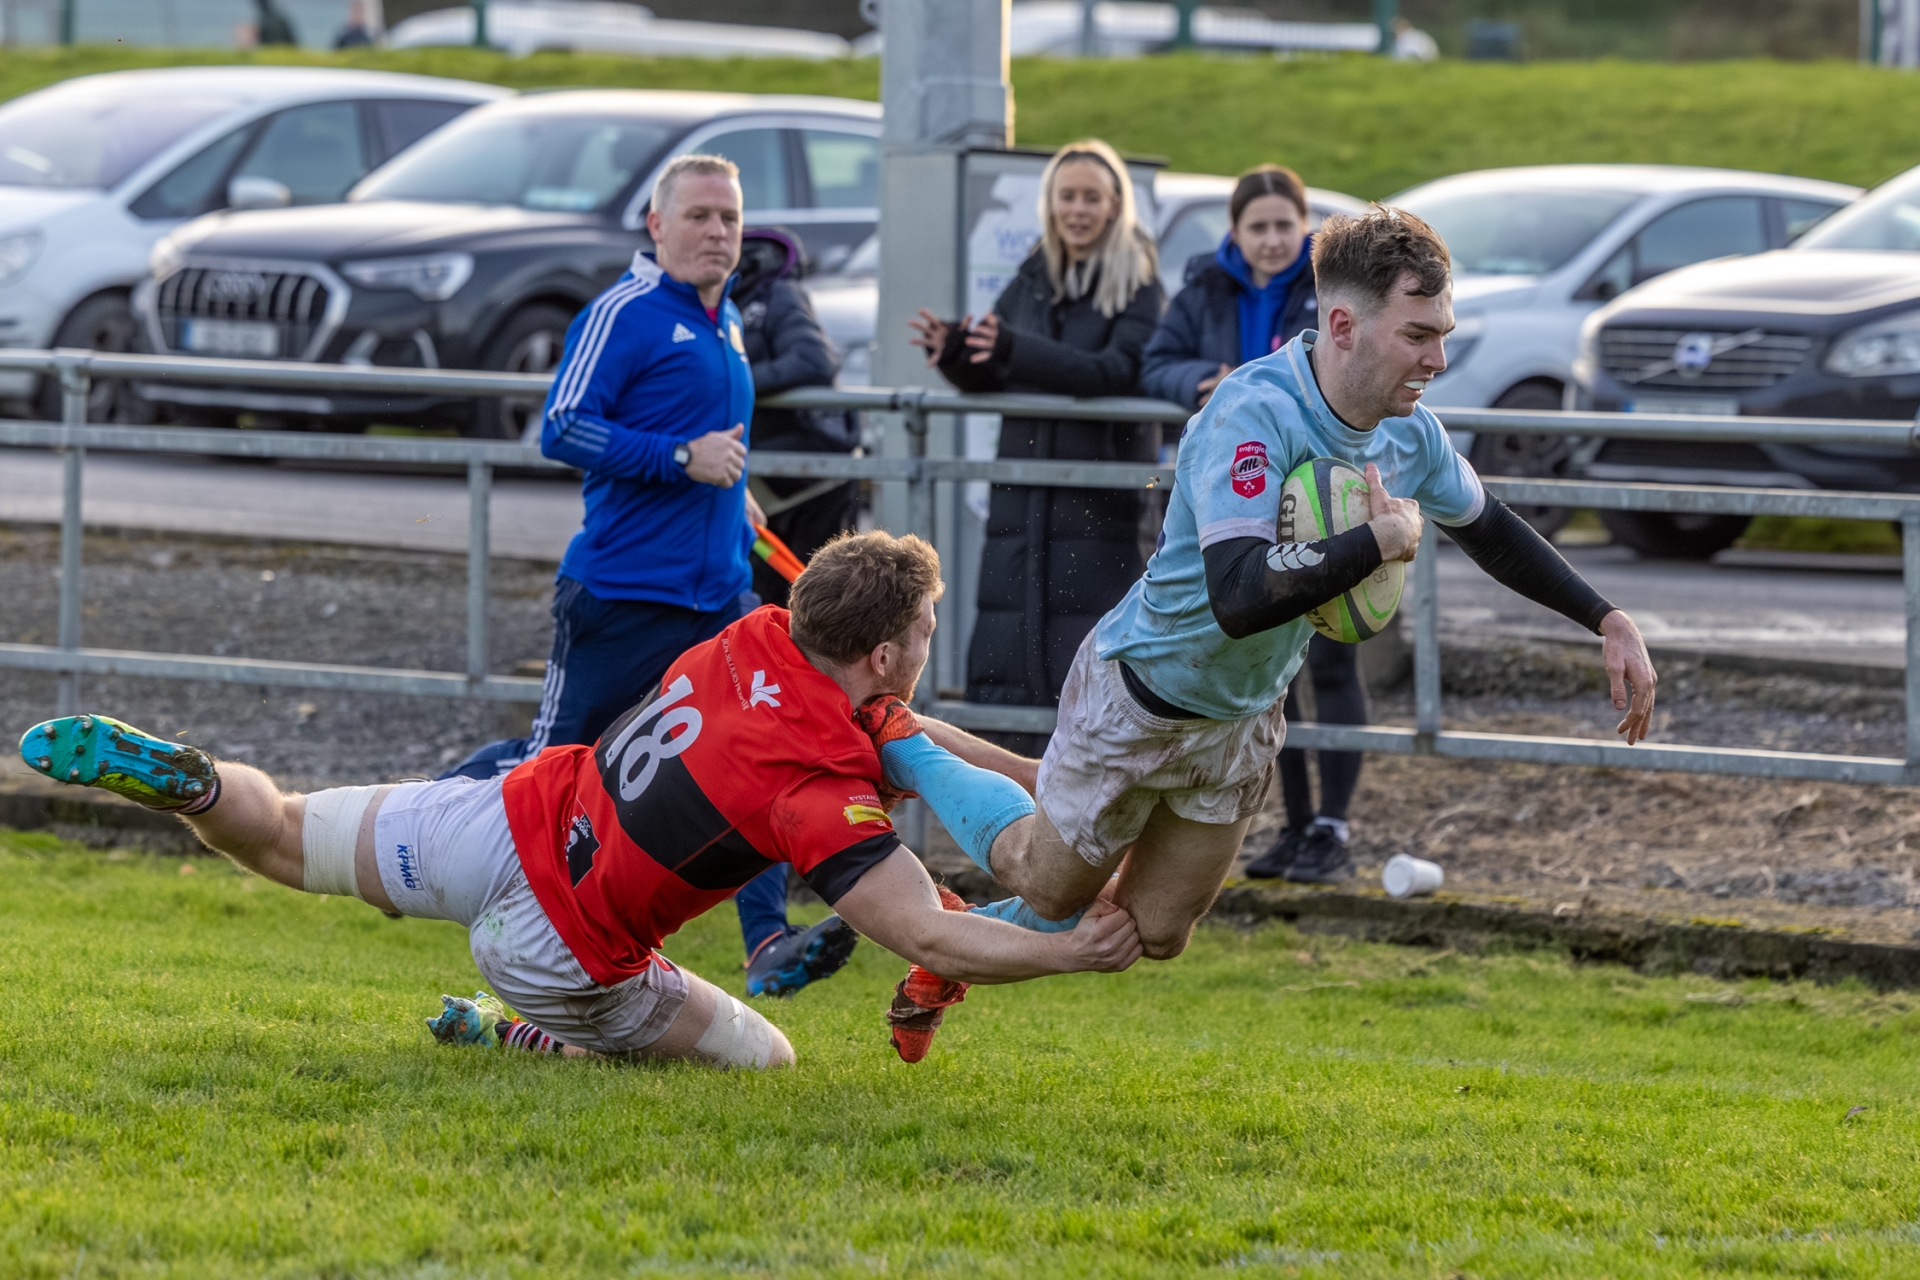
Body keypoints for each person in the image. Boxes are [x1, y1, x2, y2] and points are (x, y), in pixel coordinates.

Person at [872, 207, 1659, 1057]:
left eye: (1444, 333)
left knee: (1152, 934)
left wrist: (1606, 618)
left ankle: (954, 949)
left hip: (1243, 715)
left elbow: (1490, 525)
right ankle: (904, 740)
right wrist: (1376, 542)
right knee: (1050, 888)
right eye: (1420, 335)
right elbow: (1239, 595)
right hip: (1141, 694)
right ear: (1345, 324)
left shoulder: (1410, 432)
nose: (1438, 358)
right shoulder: (1253, 414)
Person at [17, 534, 1143, 1069]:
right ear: (891, 649)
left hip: (499, 815)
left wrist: (1042, 778)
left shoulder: (758, 634)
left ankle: (196, 780)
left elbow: (899, 732)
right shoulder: (815, 790)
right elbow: (929, 926)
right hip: (565, 945)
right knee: (768, 1059)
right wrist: (1070, 952)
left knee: (275, 829)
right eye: (923, 638)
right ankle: (518, 1025)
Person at [437, 156, 858, 1000]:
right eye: (699, 217)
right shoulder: (624, 312)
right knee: (548, 766)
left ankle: (768, 940)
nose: (716, 233)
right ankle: (424, 818)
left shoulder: (724, 317)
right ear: (656, 227)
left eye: (730, 220)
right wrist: (677, 460)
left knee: (761, 754)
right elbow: (561, 428)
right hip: (621, 599)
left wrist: (729, 498)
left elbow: (710, 443)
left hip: (718, 600)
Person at [1140, 164, 1363, 884]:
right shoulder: (1204, 285)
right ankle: (1293, 825)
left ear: (1306, 229)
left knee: (1332, 654)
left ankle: (1333, 826)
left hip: (1322, 486)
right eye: (1257, 227)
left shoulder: (1327, 291)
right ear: (1235, 232)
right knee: (1274, 668)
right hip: (1239, 492)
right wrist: (1207, 381)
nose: (1272, 240)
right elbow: (1156, 364)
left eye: (1284, 226)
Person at [909, 138, 1165, 753]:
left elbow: (1114, 372)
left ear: (1114, 206)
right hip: (1022, 503)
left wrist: (1009, 350)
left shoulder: (1139, 281)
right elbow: (995, 369)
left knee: (1089, 661)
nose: (1077, 210)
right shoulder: (1031, 275)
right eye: (1066, 196)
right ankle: (1014, 794)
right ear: (1049, 204)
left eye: (1091, 198)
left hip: (1097, 506)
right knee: (1013, 653)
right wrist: (954, 355)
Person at [736, 226, 861, 610]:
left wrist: (733, 384)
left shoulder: (775, 292)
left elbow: (814, 360)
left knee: (816, 614)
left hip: (813, 480)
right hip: (764, 483)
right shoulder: (710, 302)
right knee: (764, 610)